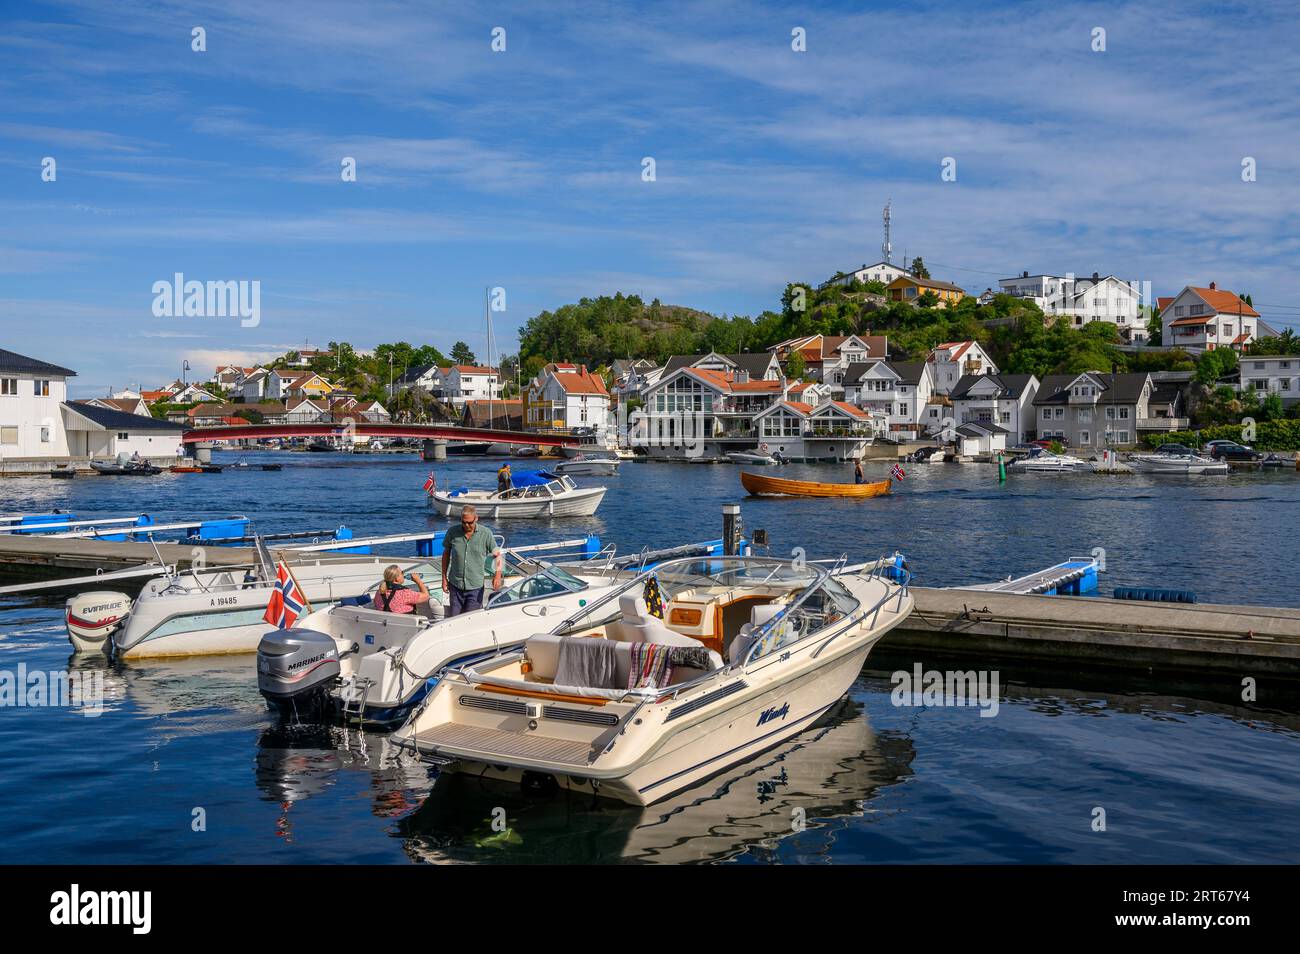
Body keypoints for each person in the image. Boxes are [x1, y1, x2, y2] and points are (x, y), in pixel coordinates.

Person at [441, 504, 503, 616]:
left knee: (470, 619)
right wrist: (444, 578)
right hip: (455, 585)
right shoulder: (452, 532)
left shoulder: (486, 534)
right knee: (454, 620)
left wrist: (497, 574)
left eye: (470, 522)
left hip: (475, 588)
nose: (466, 525)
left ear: (476, 518)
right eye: (463, 522)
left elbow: (498, 555)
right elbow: (446, 554)